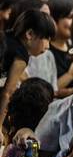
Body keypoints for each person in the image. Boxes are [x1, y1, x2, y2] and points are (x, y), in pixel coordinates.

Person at [0, 8, 56, 140]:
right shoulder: (21, 55)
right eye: (46, 38)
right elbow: (8, 91)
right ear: (30, 34)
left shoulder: (6, 38)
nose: (48, 46)